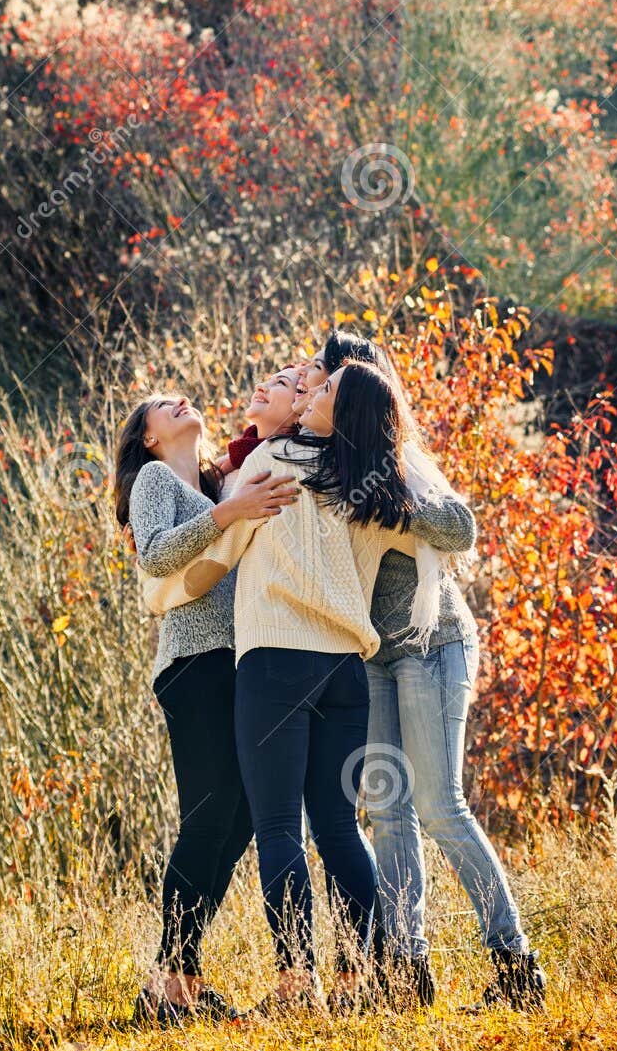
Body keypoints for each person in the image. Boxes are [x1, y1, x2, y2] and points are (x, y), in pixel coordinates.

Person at [142, 361, 460, 1015]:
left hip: (274, 664)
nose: (304, 390)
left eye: (312, 387)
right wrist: (403, 491)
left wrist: (163, 588)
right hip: (346, 666)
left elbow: (195, 569)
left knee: (280, 826)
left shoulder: (264, 468)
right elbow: (458, 531)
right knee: (340, 829)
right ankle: (395, 973)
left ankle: (296, 985)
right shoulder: (360, 477)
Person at [309, 330, 546, 1012]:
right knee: (388, 812)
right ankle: (408, 974)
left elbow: (462, 527)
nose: (317, 388)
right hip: (375, 654)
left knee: (442, 807)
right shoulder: (329, 467)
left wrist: (393, 508)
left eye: (327, 383)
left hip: (432, 641)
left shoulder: (393, 462)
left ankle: (515, 964)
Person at [112, 392, 299, 1025]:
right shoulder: (156, 479)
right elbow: (157, 555)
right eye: (164, 406)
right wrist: (230, 514)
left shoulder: (220, 481)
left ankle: (180, 976)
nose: (179, 400)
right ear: (149, 439)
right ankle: (171, 980)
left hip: (237, 661)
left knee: (243, 814)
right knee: (209, 813)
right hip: (192, 665)